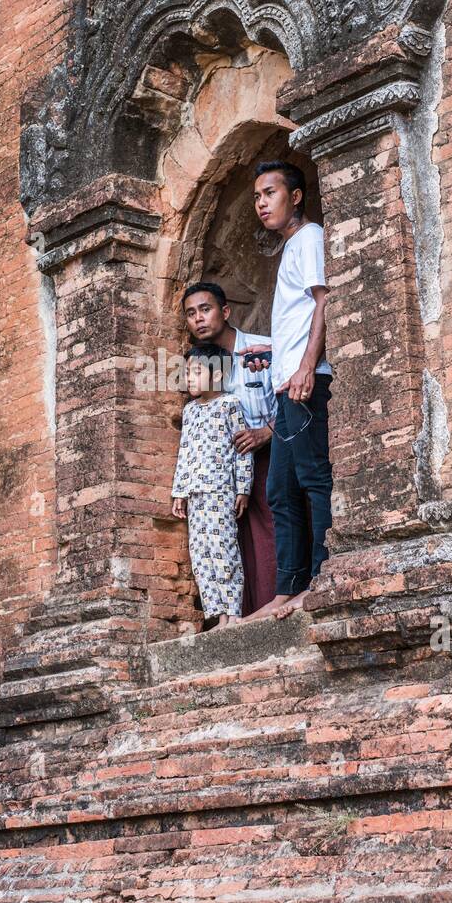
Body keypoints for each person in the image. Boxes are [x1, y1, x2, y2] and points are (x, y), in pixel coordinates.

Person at [245, 160, 333, 621]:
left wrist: (305, 367)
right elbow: (300, 319)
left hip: (305, 384)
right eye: (257, 196)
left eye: (270, 192)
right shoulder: (290, 249)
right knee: (280, 488)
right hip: (287, 385)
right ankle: (287, 588)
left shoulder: (310, 237)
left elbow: (324, 301)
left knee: (314, 480)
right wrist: (274, 348)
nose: (262, 203)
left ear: (295, 196)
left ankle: (320, 582)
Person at [182, 281, 277, 614]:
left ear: (225, 311)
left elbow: (300, 389)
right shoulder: (198, 364)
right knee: (229, 544)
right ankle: (239, 613)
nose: (199, 319)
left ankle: (274, 602)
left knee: (269, 529)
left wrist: (268, 432)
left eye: (205, 309)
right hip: (220, 472)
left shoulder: (262, 350)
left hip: (270, 452)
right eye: (191, 314)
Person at [171, 344, 254, 627]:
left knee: (224, 549)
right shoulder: (190, 411)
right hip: (195, 495)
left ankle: (233, 613)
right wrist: (179, 493)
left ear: (217, 374)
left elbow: (243, 449)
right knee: (201, 553)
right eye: (187, 373)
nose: (189, 378)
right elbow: (184, 451)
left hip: (221, 491)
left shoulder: (230, 405)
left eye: (196, 372)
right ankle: (217, 616)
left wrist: (243, 488)